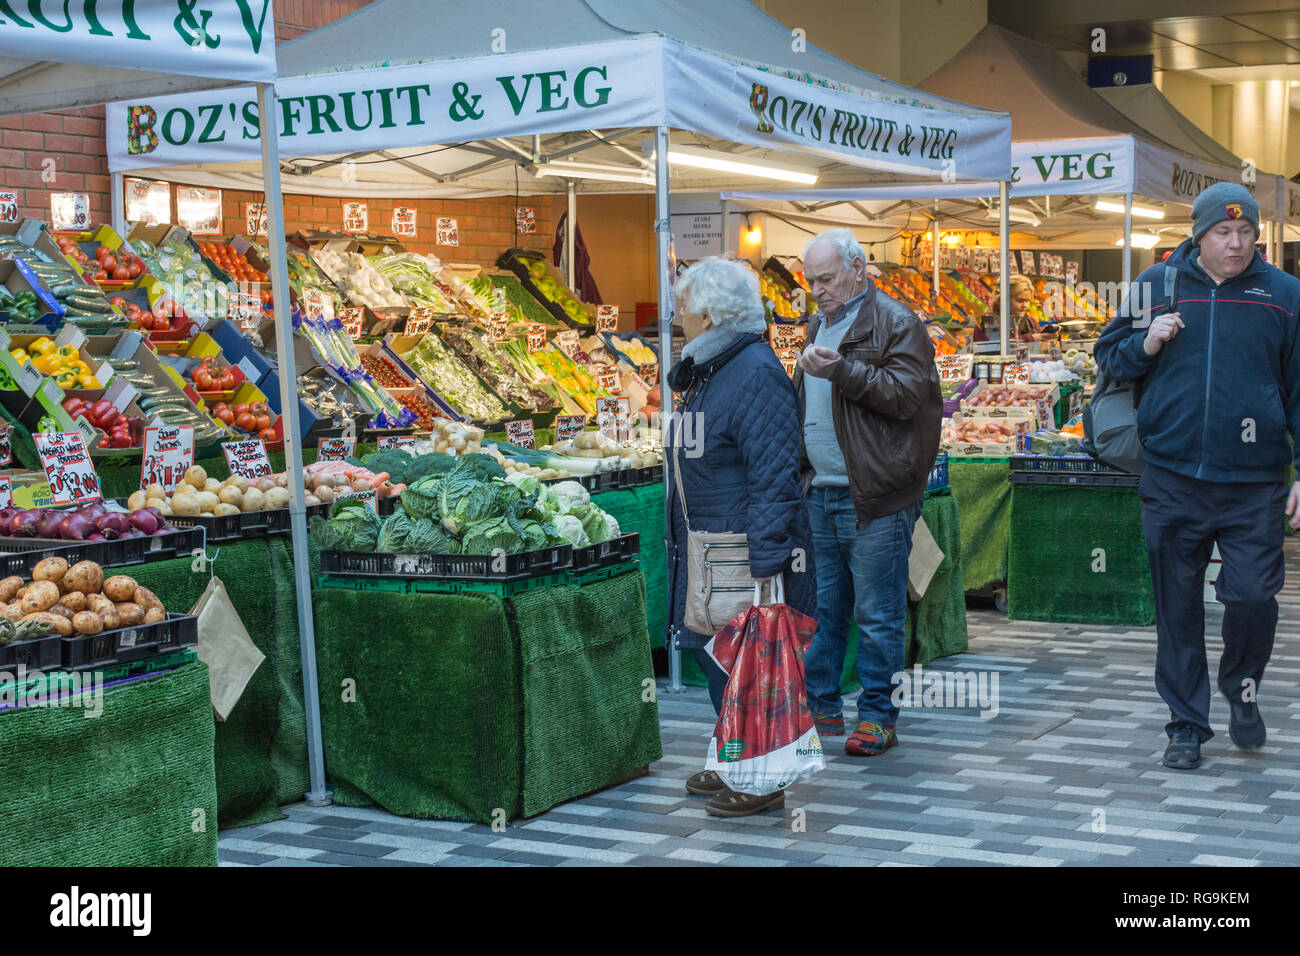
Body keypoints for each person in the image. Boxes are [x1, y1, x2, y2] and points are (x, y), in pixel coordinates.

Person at [1094, 181, 1300, 771]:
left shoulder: (1284, 295)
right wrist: (1146, 344)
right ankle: (1186, 724)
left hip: (1254, 481)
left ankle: (1242, 687)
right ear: (1198, 235)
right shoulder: (1153, 287)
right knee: (1176, 604)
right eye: (1223, 233)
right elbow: (1109, 358)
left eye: (1246, 233)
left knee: (1254, 598)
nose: (1236, 245)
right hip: (1173, 475)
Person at [664, 256, 817, 817]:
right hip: (710, 543)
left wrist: (768, 562)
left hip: (742, 548)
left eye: (683, 308)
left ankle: (762, 779)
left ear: (708, 315)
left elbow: (775, 474)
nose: (677, 318)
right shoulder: (714, 368)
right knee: (717, 661)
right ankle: (733, 758)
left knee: (747, 669)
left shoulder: (752, 372)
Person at [795, 229, 942, 756]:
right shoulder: (819, 324)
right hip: (823, 492)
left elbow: (907, 398)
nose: (818, 289)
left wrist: (845, 372)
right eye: (811, 280)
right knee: (824, 610)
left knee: (878, 614)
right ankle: (823, 708)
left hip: (877, 495)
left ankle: (879, 715)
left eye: (827, 278)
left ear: (859, 268)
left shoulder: (897, 322)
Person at [976, 273, 1038, 341]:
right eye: (1020, 301)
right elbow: (999, 346)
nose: (1025, 306)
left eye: (1027, 301)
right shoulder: (988, 321)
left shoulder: (1030, 321)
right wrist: (1032, 338)